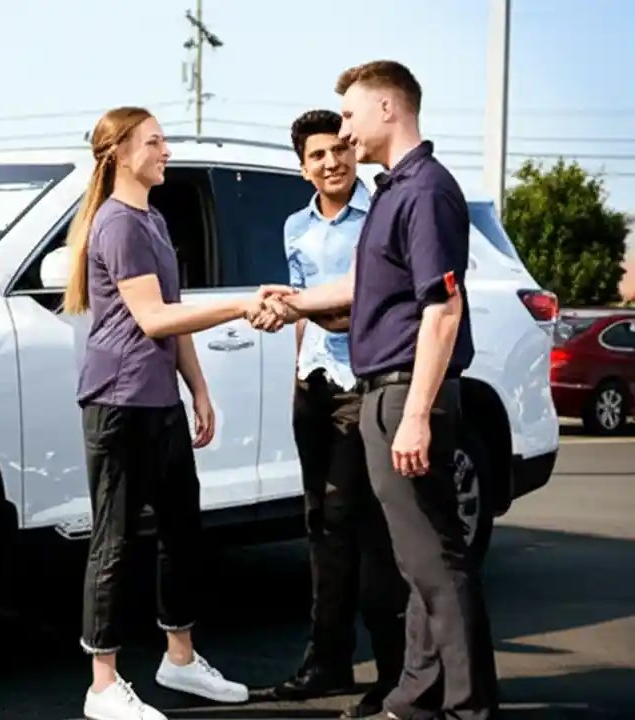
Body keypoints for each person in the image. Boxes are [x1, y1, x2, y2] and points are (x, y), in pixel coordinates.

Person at [261, 61, 498, 720]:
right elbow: (365, 288)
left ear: (388, 108)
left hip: (404, 392)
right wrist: (294, 301)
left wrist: (418, 413)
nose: (344, 130)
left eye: (350, 115)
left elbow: (442, 308)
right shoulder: (394, 192)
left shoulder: (425, 192)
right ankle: (416, 698)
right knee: (416, 562)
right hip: (384, 392)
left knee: (436, 561)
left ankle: (468, 707)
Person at [64, 105, 268, 720]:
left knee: (182, 532)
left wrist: (198, 391)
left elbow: (171, 320)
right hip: (119, 403)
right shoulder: (118, 225)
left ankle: (179, 659)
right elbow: (152, 319)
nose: (166, 151)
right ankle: (102, 686)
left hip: (160, 402)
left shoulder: (151, 219)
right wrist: (238, 308)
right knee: (115, 542)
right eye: (155, 142)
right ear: (122, 153)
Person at [264, 109, 408, 719]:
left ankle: (396, 673)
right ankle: (327, 660)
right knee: (320, 524)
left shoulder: (377, 218)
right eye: (318, 155)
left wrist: (299, 309)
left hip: (365, 386)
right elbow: (307, 318)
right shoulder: (296, 226)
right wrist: (299, 376)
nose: (332, 162)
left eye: (340, 150)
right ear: (304, 167)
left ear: (353, 153)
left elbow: (357, 309)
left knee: (364, 527)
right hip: (315, 386)